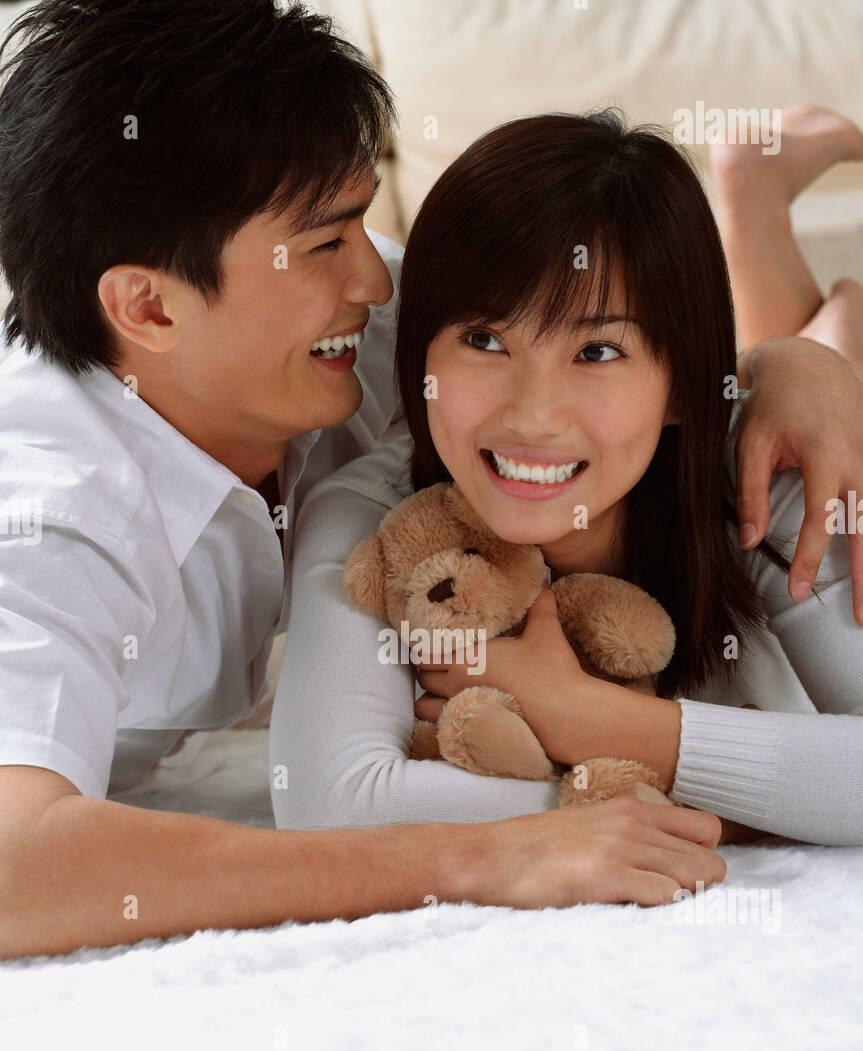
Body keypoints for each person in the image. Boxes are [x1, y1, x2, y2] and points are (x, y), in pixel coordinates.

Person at [0, 5, 856, 957]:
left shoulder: (358, 329)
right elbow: (12, 867)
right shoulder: (44, 515)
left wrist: (794, 366)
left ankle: (770, 229)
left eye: (364, 221)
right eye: (326, 243)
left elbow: (620, 353)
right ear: (150, 307)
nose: (376, 280)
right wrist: (483, 855)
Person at [271, 106, 863, 848]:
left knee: (825, 358)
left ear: (682, 385)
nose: (533, 417)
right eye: (484, 339)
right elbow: (330, 805)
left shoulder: (770, 480)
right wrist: (768, 804)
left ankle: (763, 218)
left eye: (597, 352)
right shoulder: (368, 514)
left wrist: (592, 720)